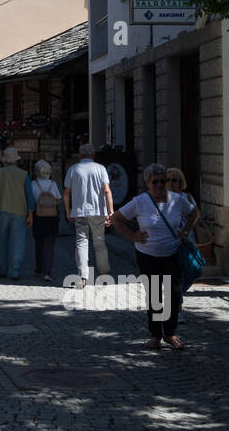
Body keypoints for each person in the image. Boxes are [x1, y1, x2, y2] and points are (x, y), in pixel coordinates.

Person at [110, 163, 199, 350]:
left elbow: (193, 213)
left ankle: (170, 333)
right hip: (147, 255)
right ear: (148, 183)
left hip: (172, 254)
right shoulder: (140, 201)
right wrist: (132, 236)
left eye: (163, 181)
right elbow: (117, 219)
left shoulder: (177, 200)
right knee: (154, 295)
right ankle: (155, 334)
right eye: (155, 182)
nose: (159, 185)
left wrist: (185, 231)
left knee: (174, 295)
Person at [64, 143, 114, 287]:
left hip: (80, 212)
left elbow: (66, 193)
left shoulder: (73, 169)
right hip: (98, 211)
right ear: (93, 155)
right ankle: (104, 273)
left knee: (81, 242)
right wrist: (111, 210)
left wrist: (68, 211)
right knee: (99, 241)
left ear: (80, 155)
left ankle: (83, 276)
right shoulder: (100, 168)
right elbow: (106, 190)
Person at [0, 147, 33, 280]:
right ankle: (15, 271)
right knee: (18, 241)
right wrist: (30, 213)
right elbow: (29, 196)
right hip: (19, 211)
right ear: (16, 160)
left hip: (1, 211)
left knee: (1, 241)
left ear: (5, 160)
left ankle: (2, 270)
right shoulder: (24, 175)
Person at [166, 168, 215, 255]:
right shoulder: (160, 198)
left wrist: (185, 232)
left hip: (187, 237)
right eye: (167, 180)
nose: (170, 183)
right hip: (167, 238)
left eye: (174, 180)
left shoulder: (187, 197)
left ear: (180, 182)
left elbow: (196, 215)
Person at [30, 161, 62, 281]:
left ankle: (39, 268)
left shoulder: (34, 184)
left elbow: (31, 201)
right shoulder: (53, 184)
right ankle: (47, 272)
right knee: (49, 244)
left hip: (38, 216)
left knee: (39, 243)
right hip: (51, 217)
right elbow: (58, 200)